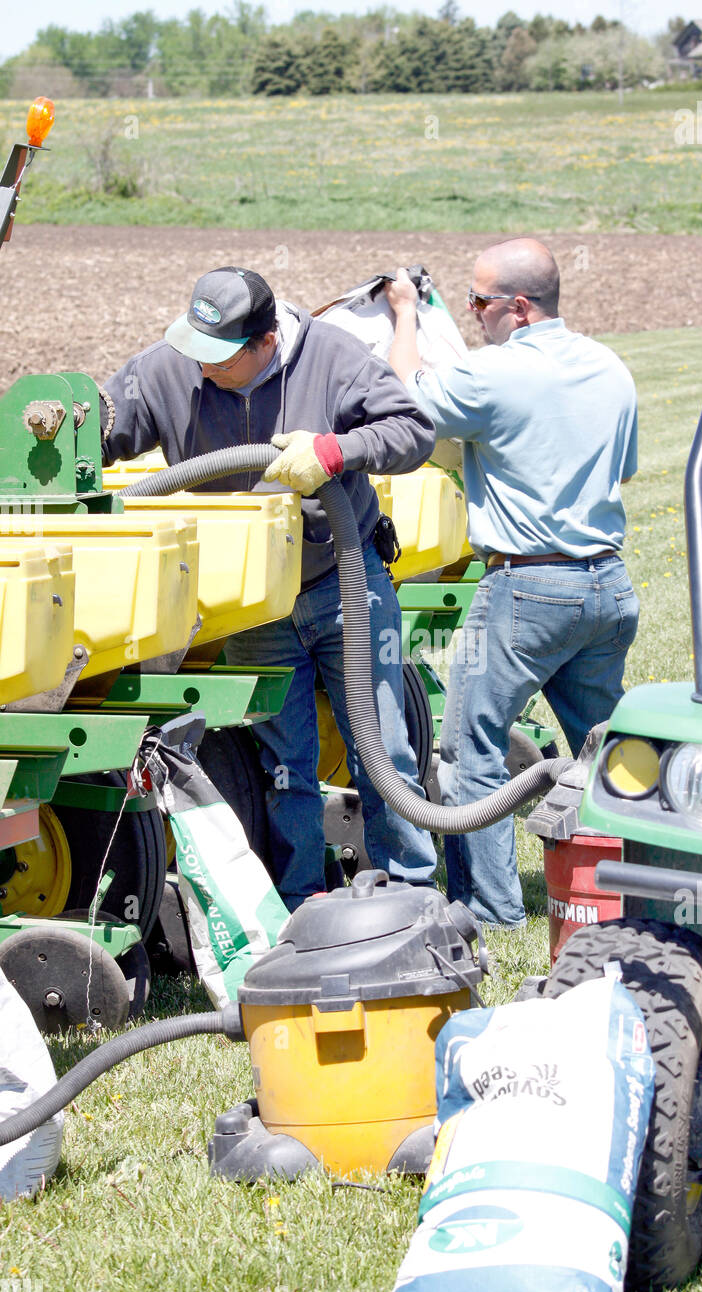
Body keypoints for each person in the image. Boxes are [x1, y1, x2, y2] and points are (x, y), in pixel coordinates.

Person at [101, 265, 438, 909]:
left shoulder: (331, 358)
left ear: (265, 344)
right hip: (249, 600)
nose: (201, 370)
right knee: (284, 765)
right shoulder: (171, 366)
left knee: (383, 748)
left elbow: (412, 431)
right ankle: (301, 901)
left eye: (218, 359)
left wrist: (336, 451)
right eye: (195, 352)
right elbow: (108, 427)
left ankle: (412, 895)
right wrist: (68, 420)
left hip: (342, 578)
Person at [385, 239, 639, 930]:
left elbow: (402, 407)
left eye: (478, 304)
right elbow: (626, 464)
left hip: (527, 589)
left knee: (472, 748)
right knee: (613, 752)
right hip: (607, 586)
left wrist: (406, 315)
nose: (472, 316)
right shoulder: (610, 367)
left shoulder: (496, 373)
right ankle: (637, 888)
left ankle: (493, 912)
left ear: (517, 308)